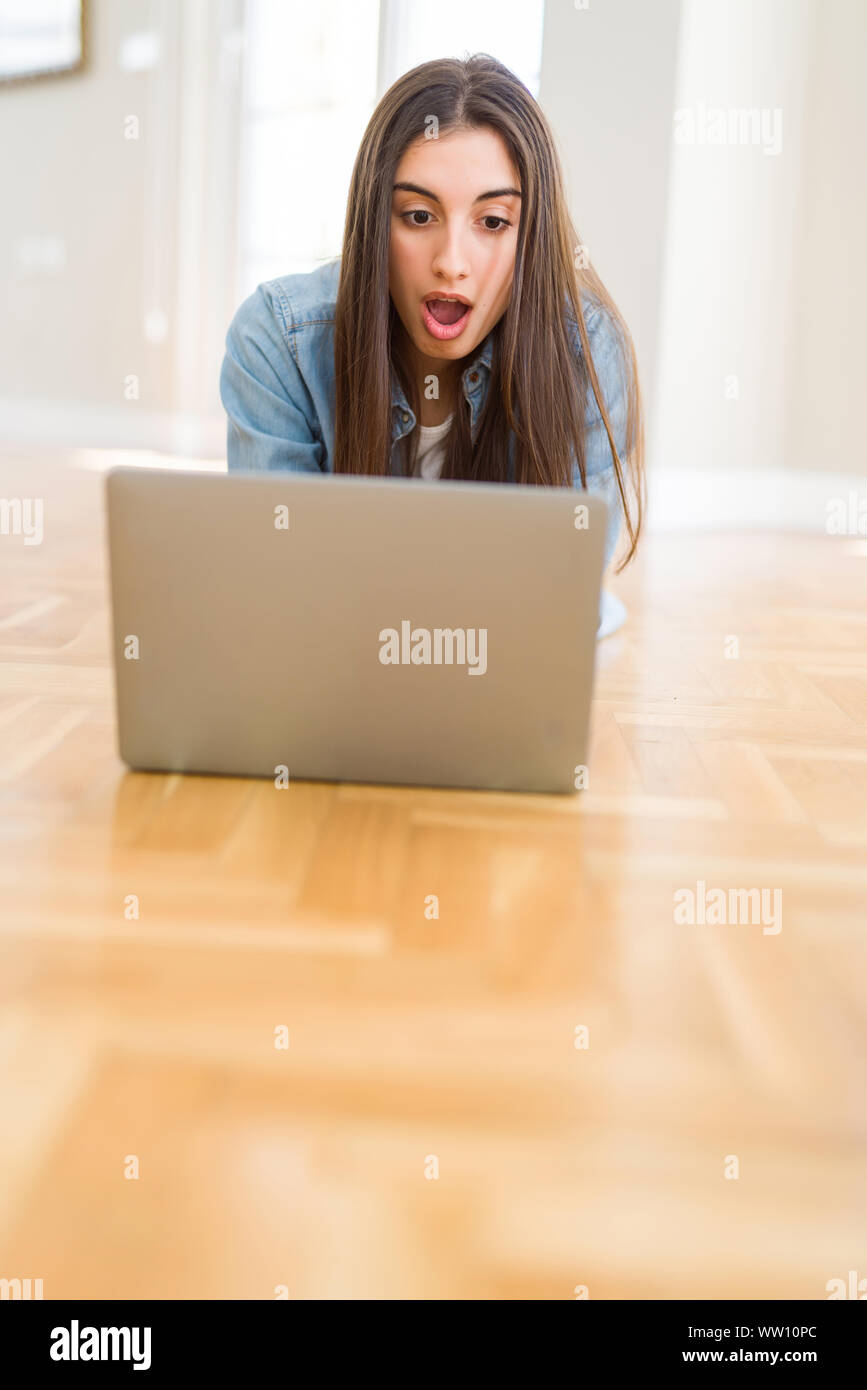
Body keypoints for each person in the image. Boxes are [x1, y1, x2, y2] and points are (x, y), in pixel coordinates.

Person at [220, 54, 645, 637]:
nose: (451, 263)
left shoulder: (587, 352)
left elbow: (556, 603)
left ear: (534, 237)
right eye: (418, 216)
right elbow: (278, 582)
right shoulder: (279, 339)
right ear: (375, 223)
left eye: (493, 221)